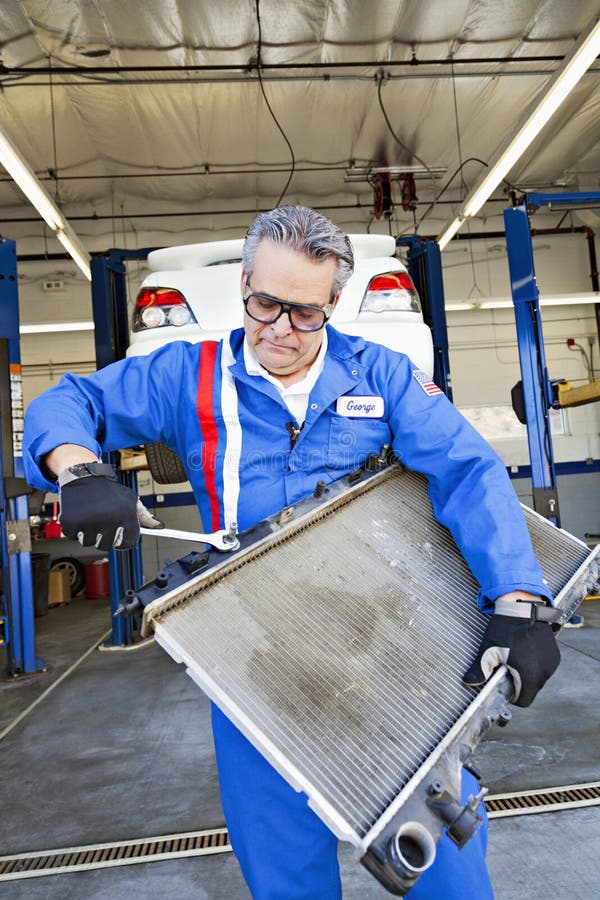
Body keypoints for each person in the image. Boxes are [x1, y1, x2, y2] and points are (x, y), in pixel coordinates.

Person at [23, 205, 560, 899]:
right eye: (265, 304)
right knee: (286, 878)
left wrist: (518, 597)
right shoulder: (188, 376)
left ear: (334, 303)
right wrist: (76, 468)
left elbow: (467, 471)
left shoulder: (382, 376)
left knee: (446, 871)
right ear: (244, 284)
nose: (279, 328)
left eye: (304, 312)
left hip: (394, 654)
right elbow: (69, 402)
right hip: (257, 667)